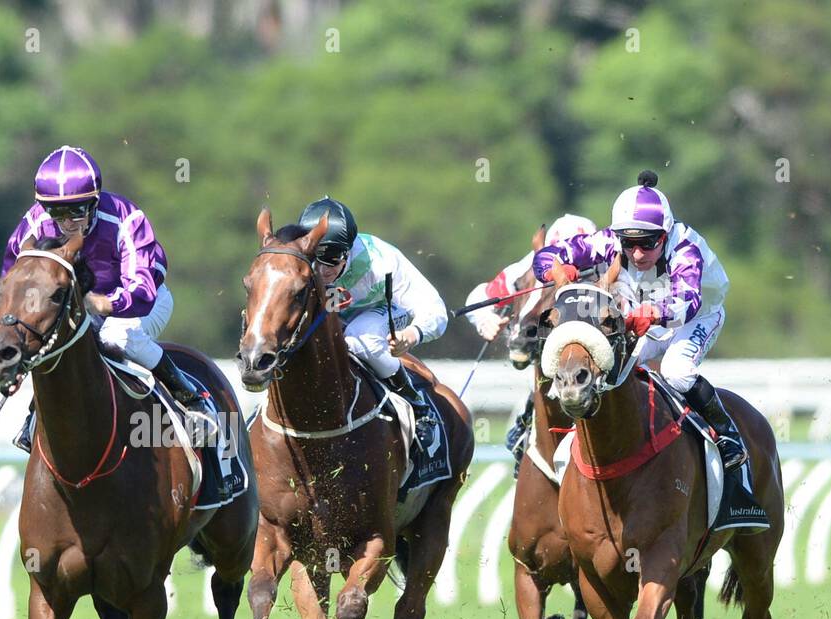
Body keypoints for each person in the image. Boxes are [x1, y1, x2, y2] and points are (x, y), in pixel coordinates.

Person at [532, 171, 745, 471]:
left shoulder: (685, 248)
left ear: (665, 234)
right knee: (611, 367)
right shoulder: (609, 241)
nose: (637, 253)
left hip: (696, 317)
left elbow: (688, 300)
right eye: (628, 243)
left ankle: (727, 436)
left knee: (677, 372)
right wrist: (556, 269)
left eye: (647, 243)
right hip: (644, 315)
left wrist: (653, 313)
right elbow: (546, 256)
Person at [1, 145, 206, 451]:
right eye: (56, 212)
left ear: (95, 202)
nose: (67, 222)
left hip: (141, 304)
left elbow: (144, 289)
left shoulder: (126, 219)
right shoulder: (33, 224)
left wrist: (101, 304)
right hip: (79, 310)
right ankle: (35, 417)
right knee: (51, 340)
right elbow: (13, 283)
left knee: (116, 335)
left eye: (77, 210)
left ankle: (187, 394)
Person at [295, 196, 449, 445]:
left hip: (383, 313)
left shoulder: (383, 262)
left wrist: (411, 335)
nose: (322, 270)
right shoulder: (297, 261)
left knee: (359, 336)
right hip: (333, 321)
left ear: (349, 250)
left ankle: (417, 405)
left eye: (333, 259)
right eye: (315, 258)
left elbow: (435, 310)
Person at [467, 214, 597, 469]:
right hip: (546, 370)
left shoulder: (601, 267)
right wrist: (486, 319)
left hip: (591, 368)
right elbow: (478, 297)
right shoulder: (529, 266)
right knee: (521, 436)